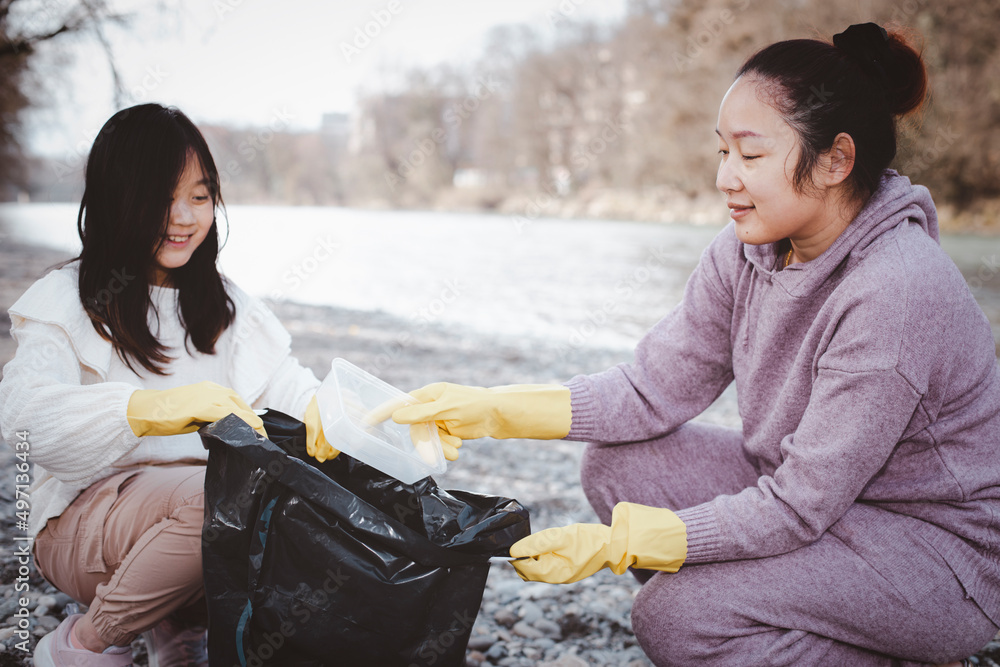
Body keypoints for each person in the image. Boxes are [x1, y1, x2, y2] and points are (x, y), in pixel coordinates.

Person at [392, 23, 1000, 666]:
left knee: (675, 619)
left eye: (751, 155)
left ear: (835, 160)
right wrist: (492, 409)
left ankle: (857, 648)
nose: (726, 178)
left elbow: (798, 506)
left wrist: (621, 542)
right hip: (818, 505)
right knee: (617, 467)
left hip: (935, 558)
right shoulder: (748, 250)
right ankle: (771, 629)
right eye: (722, 153)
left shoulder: (894, 290)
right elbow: (651, 390)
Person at [0, 103, 350, 667]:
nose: (184, 217)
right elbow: (19, 416)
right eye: (162, 196)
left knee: (294, 503)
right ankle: (82, 644)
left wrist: (391, 420)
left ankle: (177, 623)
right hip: (83, 525)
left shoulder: (226, 307)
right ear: (117, 198)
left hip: (196, 519)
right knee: (222, 497)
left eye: (200, 195)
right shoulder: (70, 297)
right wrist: (149, 410)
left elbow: (299, 396)